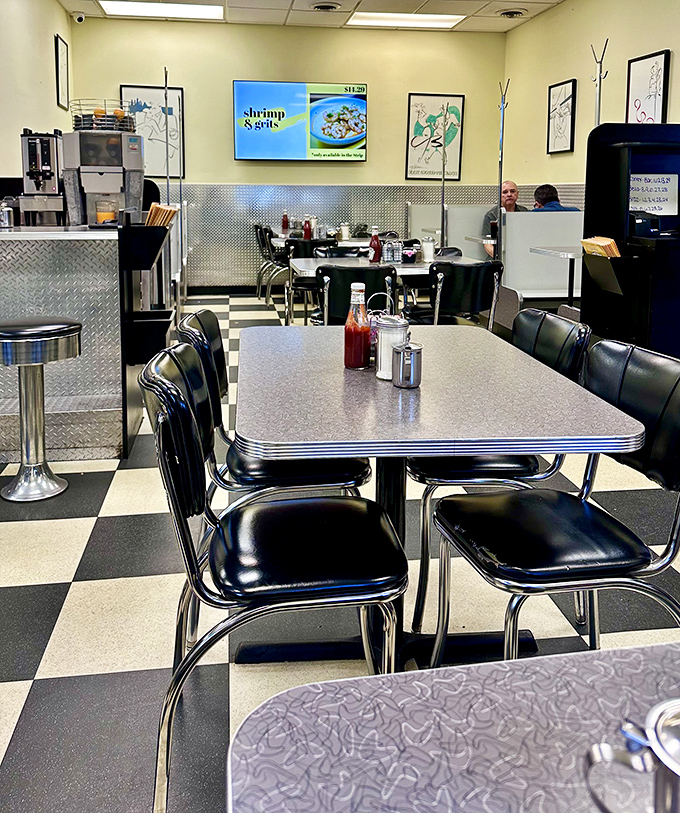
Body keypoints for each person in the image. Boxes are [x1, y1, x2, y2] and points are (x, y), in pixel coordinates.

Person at [482, 180, 528, 256]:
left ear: (517, 194)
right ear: (500, 195)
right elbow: (487, 244)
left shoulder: (525, 213)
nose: (509, 194)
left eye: (512, 191)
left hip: (521, 256)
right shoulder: (491, 216)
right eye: (505, 192)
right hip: (498, 259)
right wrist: (501, 258)